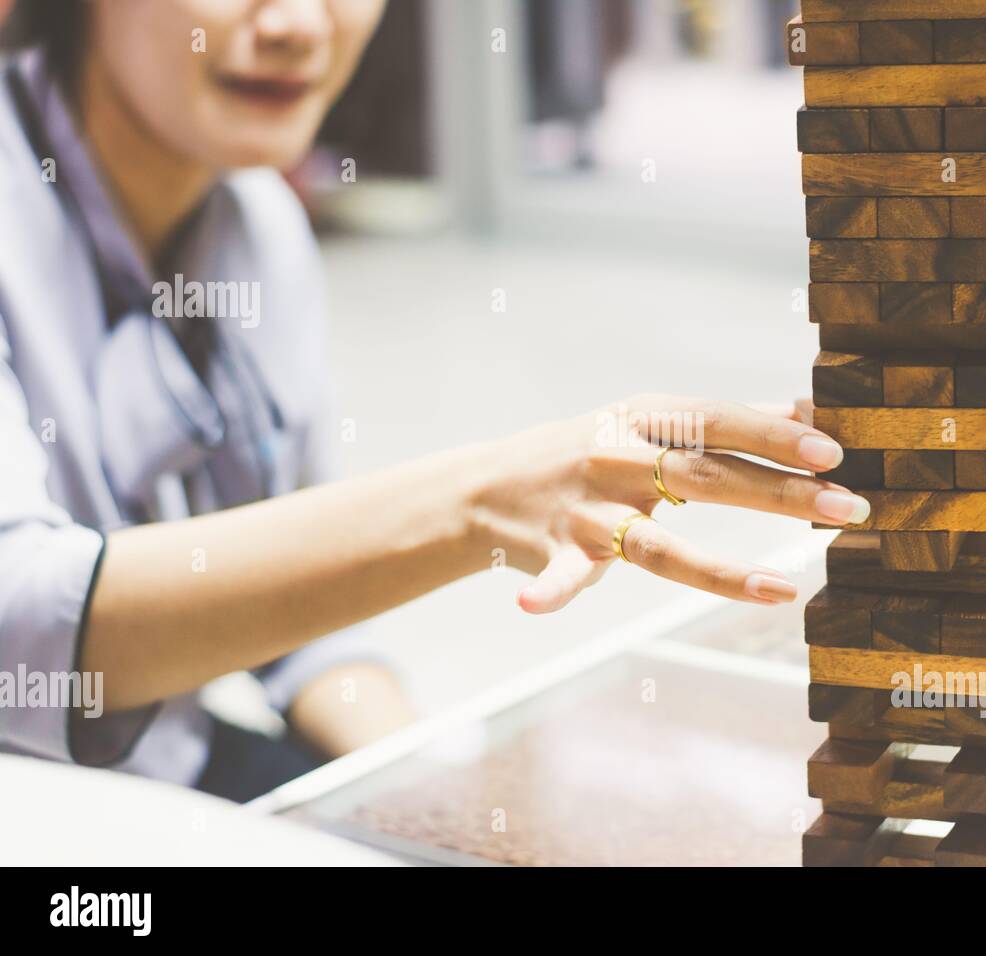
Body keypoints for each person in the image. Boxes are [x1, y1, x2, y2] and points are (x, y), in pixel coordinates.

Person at [0, 0, 871, 801]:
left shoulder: (256, 223)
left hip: (157, 769)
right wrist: (477, 504)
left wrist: (424, 792)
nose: (300, 23)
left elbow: (302, 627)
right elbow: (21, 629)